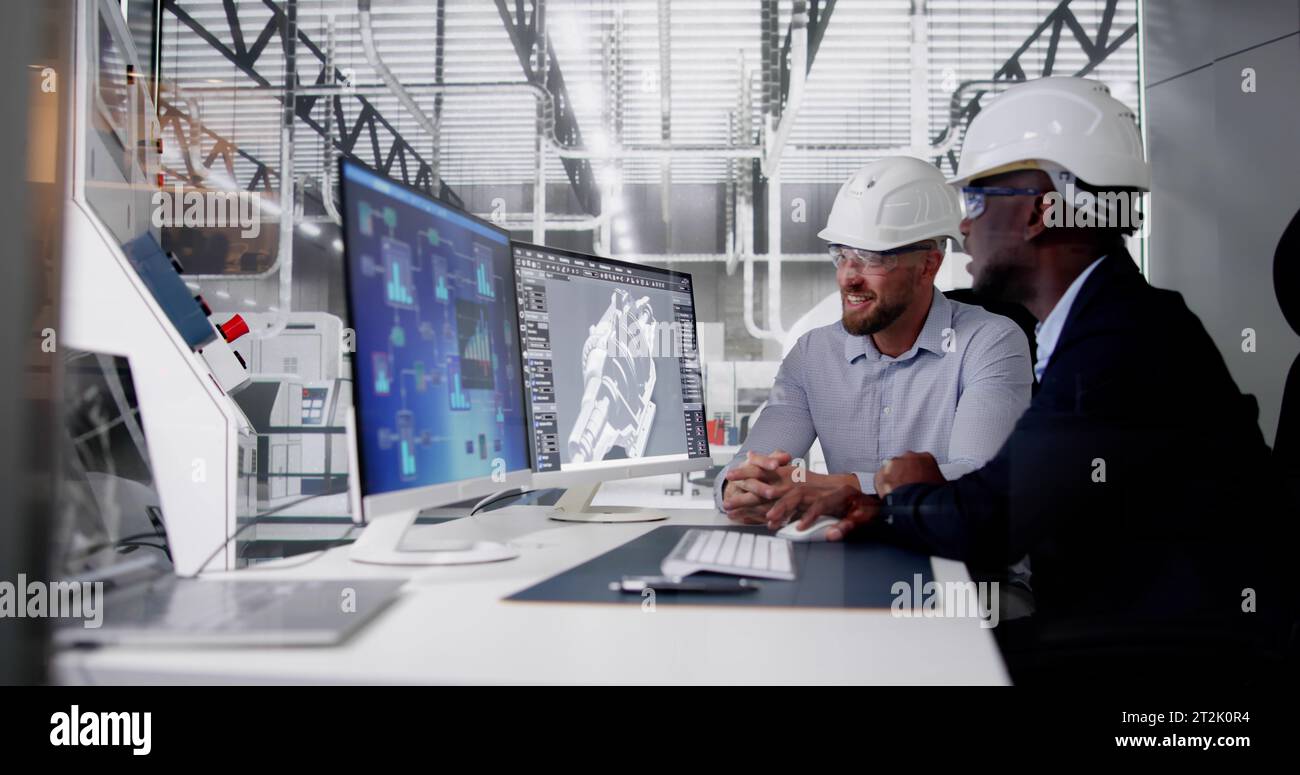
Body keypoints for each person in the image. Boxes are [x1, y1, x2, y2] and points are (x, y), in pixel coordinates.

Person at [767, 77, 1293, 681]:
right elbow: (1008, 494)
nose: (963, 229)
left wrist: (900, 491)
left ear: (1043, 210)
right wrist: (891, 493)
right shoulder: (1103, 322)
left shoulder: (1119, 340)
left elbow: (993, 520)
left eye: (977, 201)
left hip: (1186, 675)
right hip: (1150, 634)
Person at [718, 157, 1032, 527]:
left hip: (966, 571)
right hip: (855, 560)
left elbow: (976, 477)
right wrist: (739, 488)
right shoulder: (812, 355)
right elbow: (750, 463)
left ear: (928, 265)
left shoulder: (990, 342)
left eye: (870, 258)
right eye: (842, 255)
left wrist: (844, 487)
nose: (849, 277)